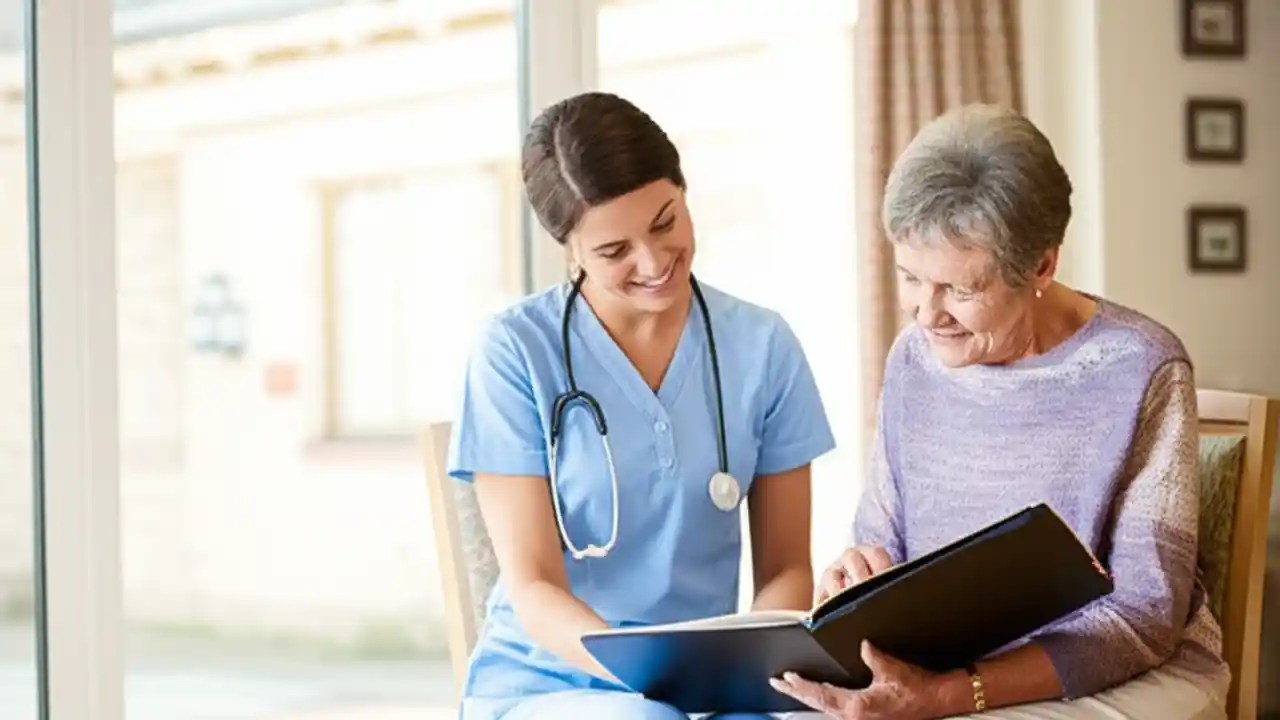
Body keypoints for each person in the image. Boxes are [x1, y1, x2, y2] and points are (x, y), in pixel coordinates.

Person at [771, 104, 1230, 720]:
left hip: (1117, 675)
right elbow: (881, 536)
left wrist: (952, 694)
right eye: (910, 277)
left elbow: (1145, 616)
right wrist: (855, 576)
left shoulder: (1142, 368)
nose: (926, 314)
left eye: (961, 290)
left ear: (1041, 265)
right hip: (940, 669)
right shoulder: (915, 359)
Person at [447, 91, 835, 719]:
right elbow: (534, 586)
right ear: (569, 247)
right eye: (613, 251)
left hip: (709, 685)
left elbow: (788, 566)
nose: (654, 263)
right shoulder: (514, 352)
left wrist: (732, 672)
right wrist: (657, 686)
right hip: (551, 684)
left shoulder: (761, 346)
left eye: (665, 222)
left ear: (683, 192)